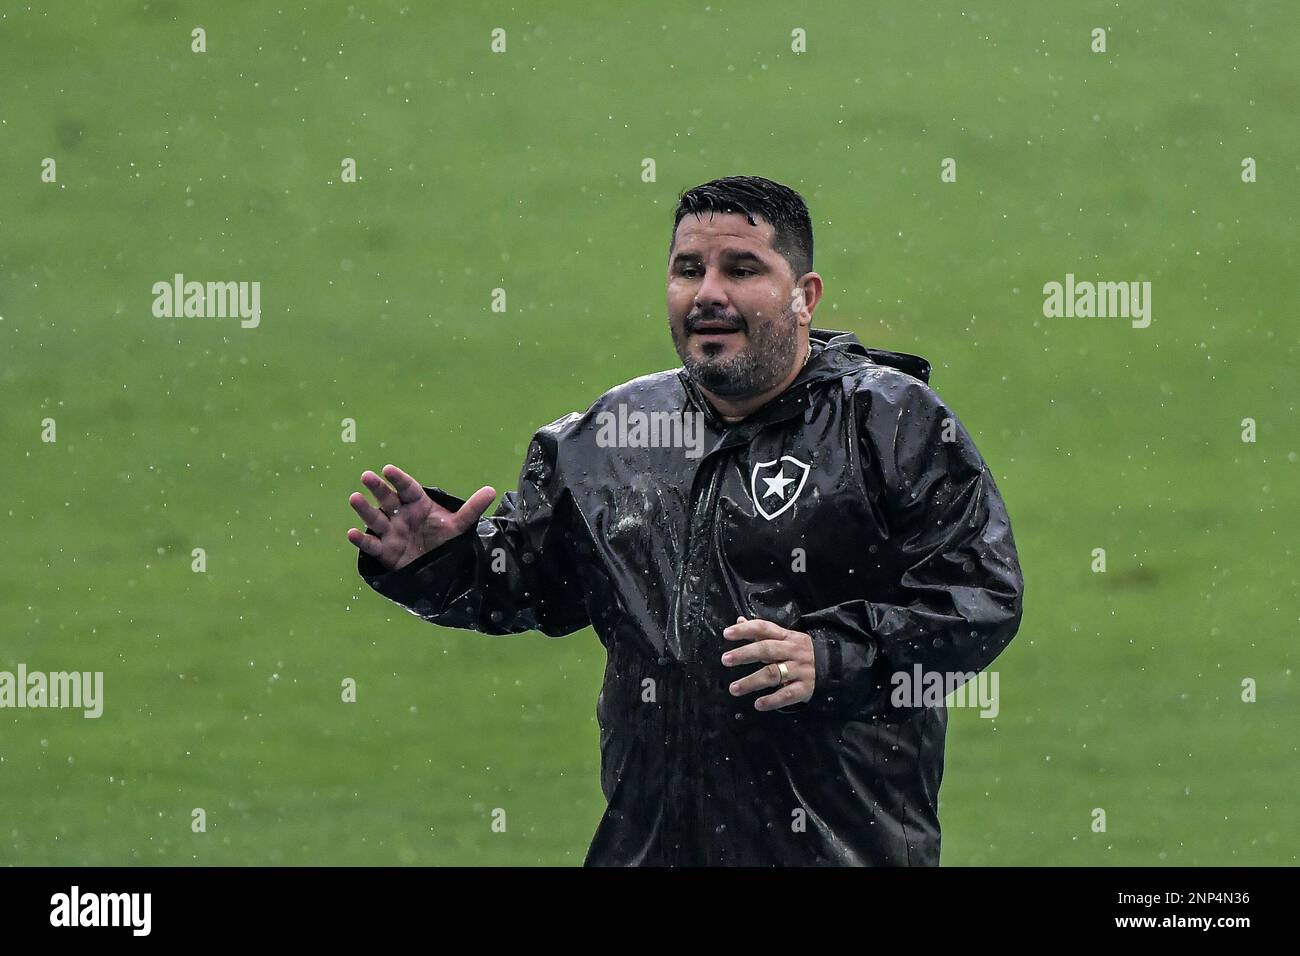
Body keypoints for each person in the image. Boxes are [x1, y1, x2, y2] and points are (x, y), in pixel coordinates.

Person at [346, 175, 1024, 865]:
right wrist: (441, 560)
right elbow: (534, 581)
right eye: (688, 270)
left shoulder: (887, 424)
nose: (708, 294)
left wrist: (832, 657)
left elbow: (979, 599)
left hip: (835, 847)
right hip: (652, 847)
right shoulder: (614, 435)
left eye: (742, 269)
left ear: (804, 296)